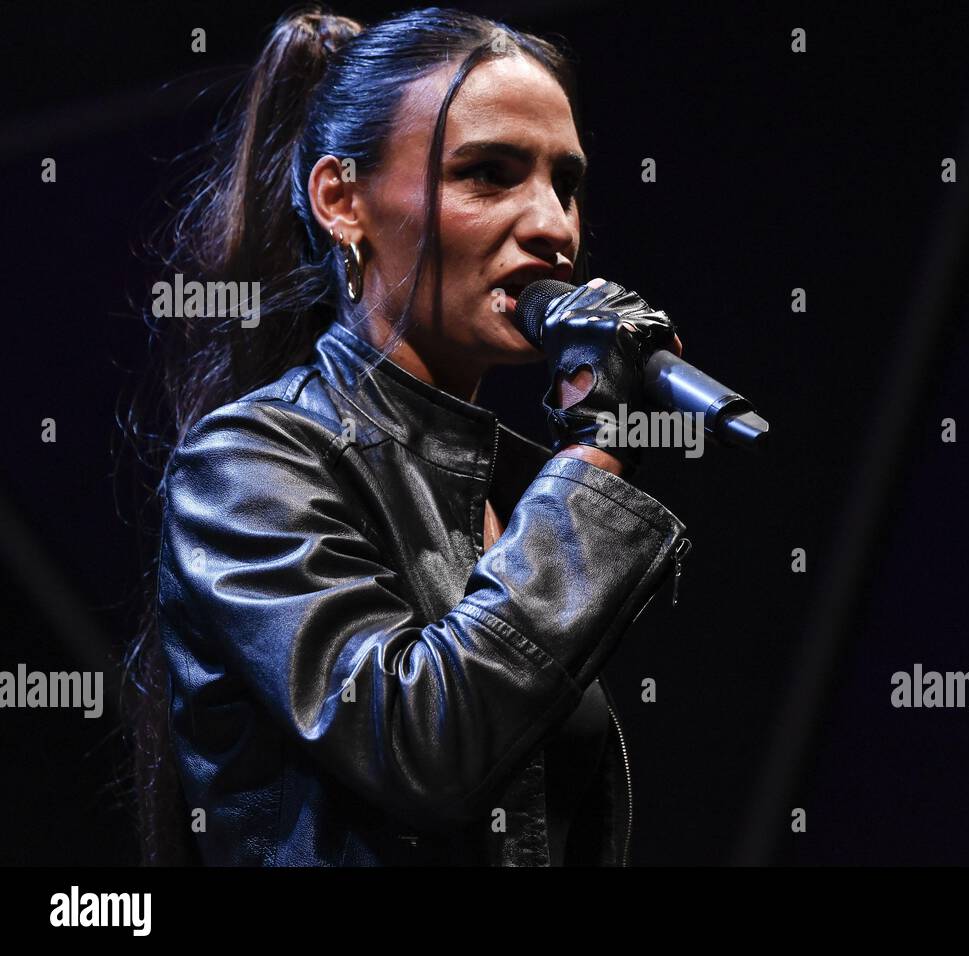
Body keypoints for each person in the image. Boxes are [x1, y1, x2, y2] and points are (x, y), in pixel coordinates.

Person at [122, 5, 691, 866]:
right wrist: (599, 451)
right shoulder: (248, 465)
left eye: (564, 184)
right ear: (342, 201)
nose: (553, 226)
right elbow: (420, 747)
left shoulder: (514, 494)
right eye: (490, 175)